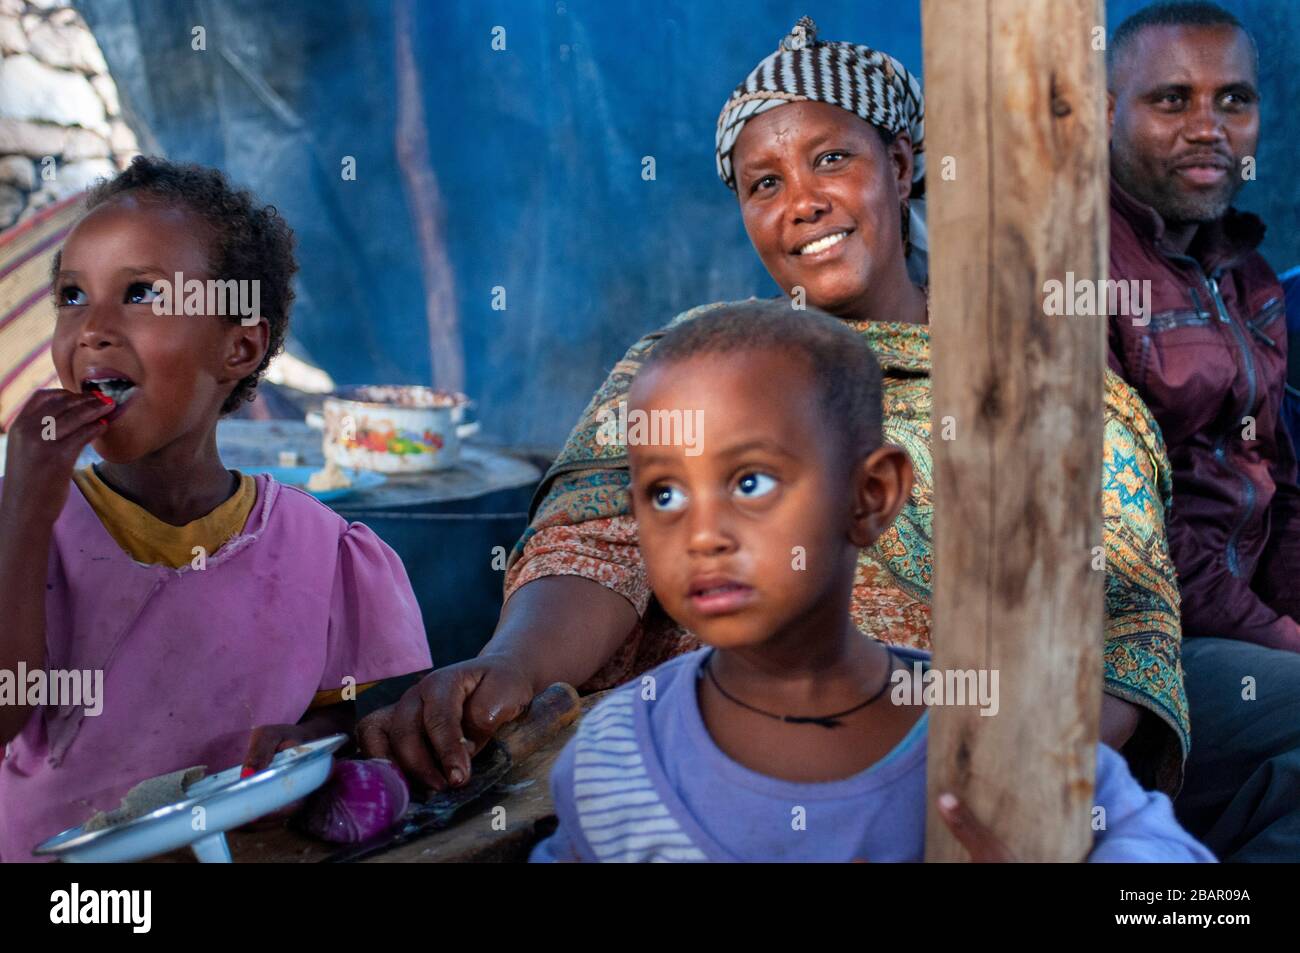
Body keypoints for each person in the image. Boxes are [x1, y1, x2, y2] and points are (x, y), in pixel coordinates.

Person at [361, 17, 1188, 799]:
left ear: (901, 166)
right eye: (765, 182)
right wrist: (516, 663)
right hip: (688, 781)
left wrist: (993, 782)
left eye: (831, 161)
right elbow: (596, 536)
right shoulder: (691, 362)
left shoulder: (1045, 391)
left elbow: (1126, 631)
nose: (802, 201)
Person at [530, 303, 1212, 862]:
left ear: (871, 495)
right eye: (665, 494)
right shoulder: (616, 756)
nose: (702, 533)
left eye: (750, 482)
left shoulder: (997, 743)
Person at [0, 157, 432, 861]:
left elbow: (331, 712)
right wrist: (21, 516)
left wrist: (308, 745)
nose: (93, 330)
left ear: (239, 346)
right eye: (72, 296)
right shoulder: (23, 523)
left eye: (140, 293)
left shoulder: (318, 549)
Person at [1105, 2, 1300, 860]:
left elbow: (1281, 488)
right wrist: (1287, 640)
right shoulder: (1076, 269)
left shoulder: (1248, 272)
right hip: (1139, 645)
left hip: (1241, 623)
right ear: (1106, 109)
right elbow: (1140, 534)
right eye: (1172, 100)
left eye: (1233, 101)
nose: (1208, 129)